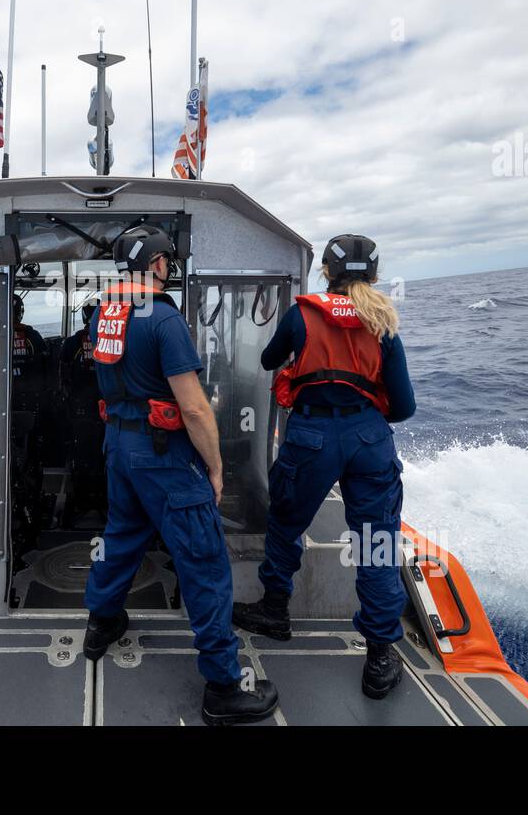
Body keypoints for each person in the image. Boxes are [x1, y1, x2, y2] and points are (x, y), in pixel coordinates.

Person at [82, 225, 279, 725]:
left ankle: (102, 621)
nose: (169, 268)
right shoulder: (164, 319)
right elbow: (192, 409)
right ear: (155, 265)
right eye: (166, 261)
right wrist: (214, 468)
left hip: (119, 447)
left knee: (122, 534)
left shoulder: (105, 313)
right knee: (204, 560)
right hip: (162, 454)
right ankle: (223, 687)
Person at [232, 233, 417, 700]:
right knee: (376, 540)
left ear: (327, 273)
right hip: (369, 439)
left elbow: (269, 358)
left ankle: (275, 611)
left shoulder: (303, 315)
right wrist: (366, 420)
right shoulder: (384, 323)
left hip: (312, 438)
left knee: (286, 522)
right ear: (373, 275)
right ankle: (378, 655)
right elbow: (405, 406)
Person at [57, 299, 105, 526]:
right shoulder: (113, 341)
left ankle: (82, 503)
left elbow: (62, 380)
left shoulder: (71, 343)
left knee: (82, 458)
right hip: (108, 414)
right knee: (106, 459)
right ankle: (106, 502)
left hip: (80, 413)